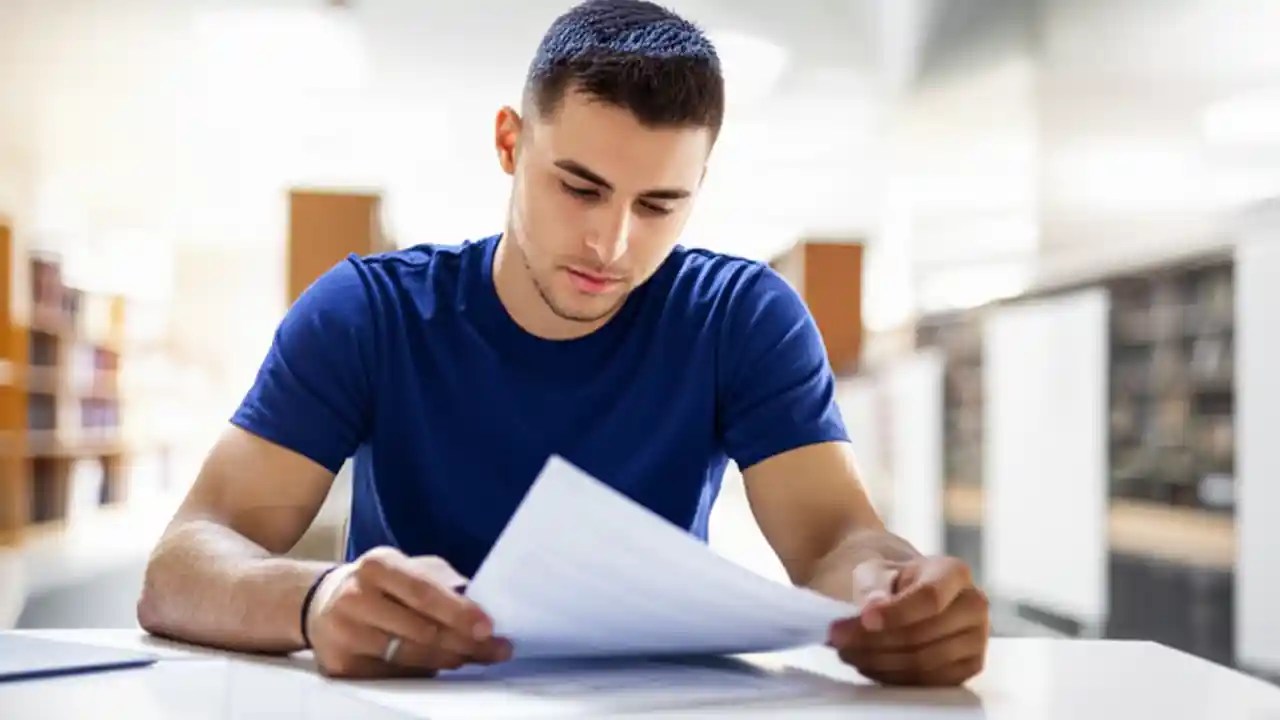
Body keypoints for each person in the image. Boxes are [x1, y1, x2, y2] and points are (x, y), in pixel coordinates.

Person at [137, 0, 989, 686]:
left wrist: (891, 594)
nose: (611, 245)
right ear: (511, 143)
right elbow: (182, 563)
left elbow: (837, 542)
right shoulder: (368, 314)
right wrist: (317, 598)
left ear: (697, 189)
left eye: (657, 205)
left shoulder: (741, 319)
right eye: (580, 188)